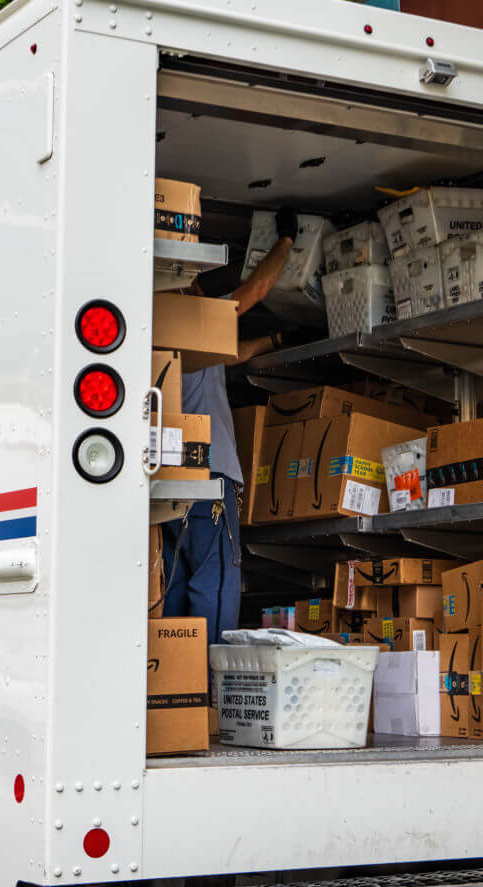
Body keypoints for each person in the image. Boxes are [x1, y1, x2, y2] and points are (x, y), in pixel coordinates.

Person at [161, 209, 298, 643]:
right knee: (216, 590)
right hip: (210, 478)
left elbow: (233, 354)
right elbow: (256, 289)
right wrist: (288, 240)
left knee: (176, 592)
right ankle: (212, 695)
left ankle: (181, 690)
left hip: (169, 482)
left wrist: (275, 341)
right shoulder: (196, 318)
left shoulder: (156, 335)